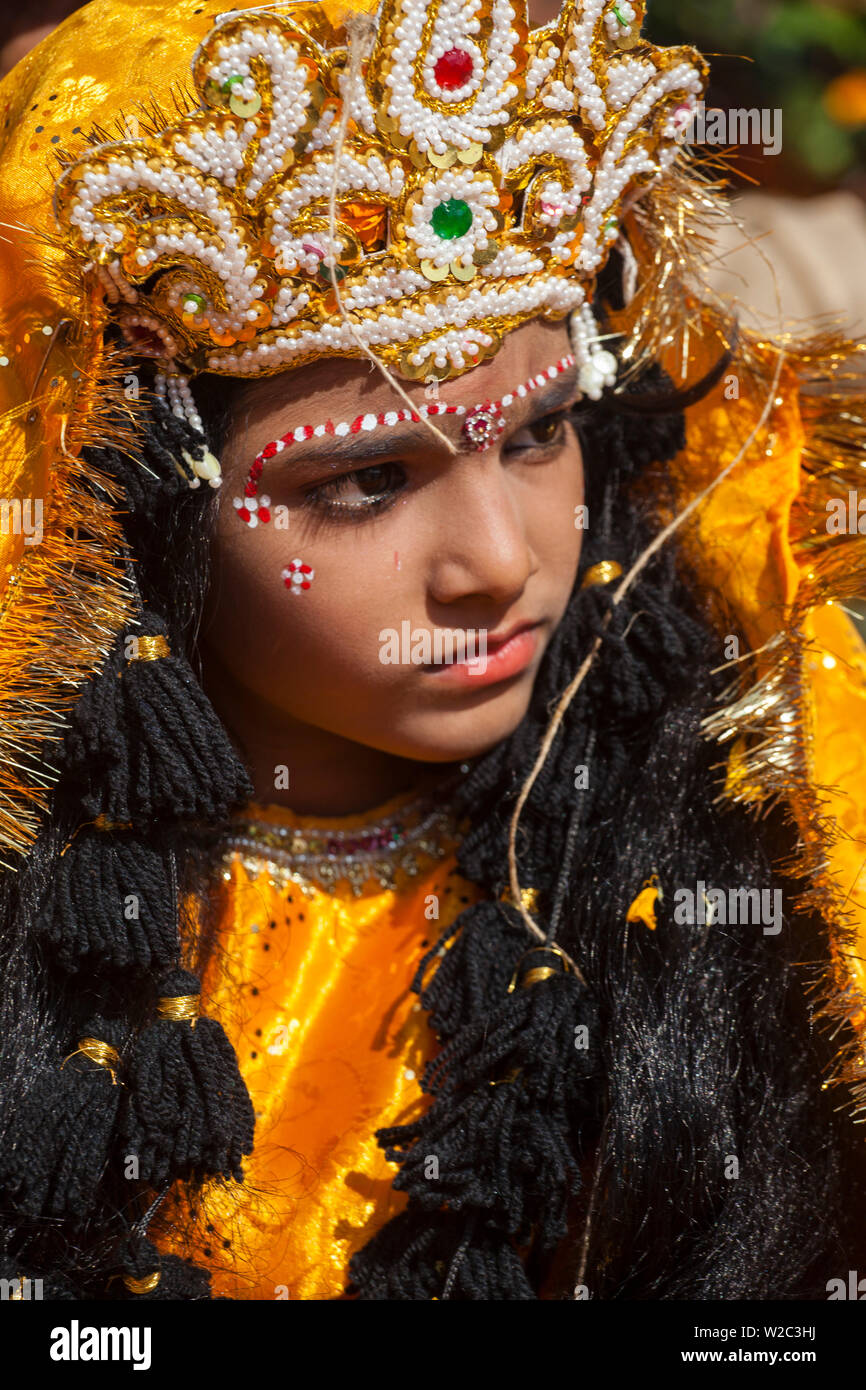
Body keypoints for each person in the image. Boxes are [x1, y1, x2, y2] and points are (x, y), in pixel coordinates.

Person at [0, 0, 865, 1302]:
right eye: (364, 482)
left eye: (533, 436)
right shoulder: (41, 923)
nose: (499, 561)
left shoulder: (767, 864)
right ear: (137, 498)